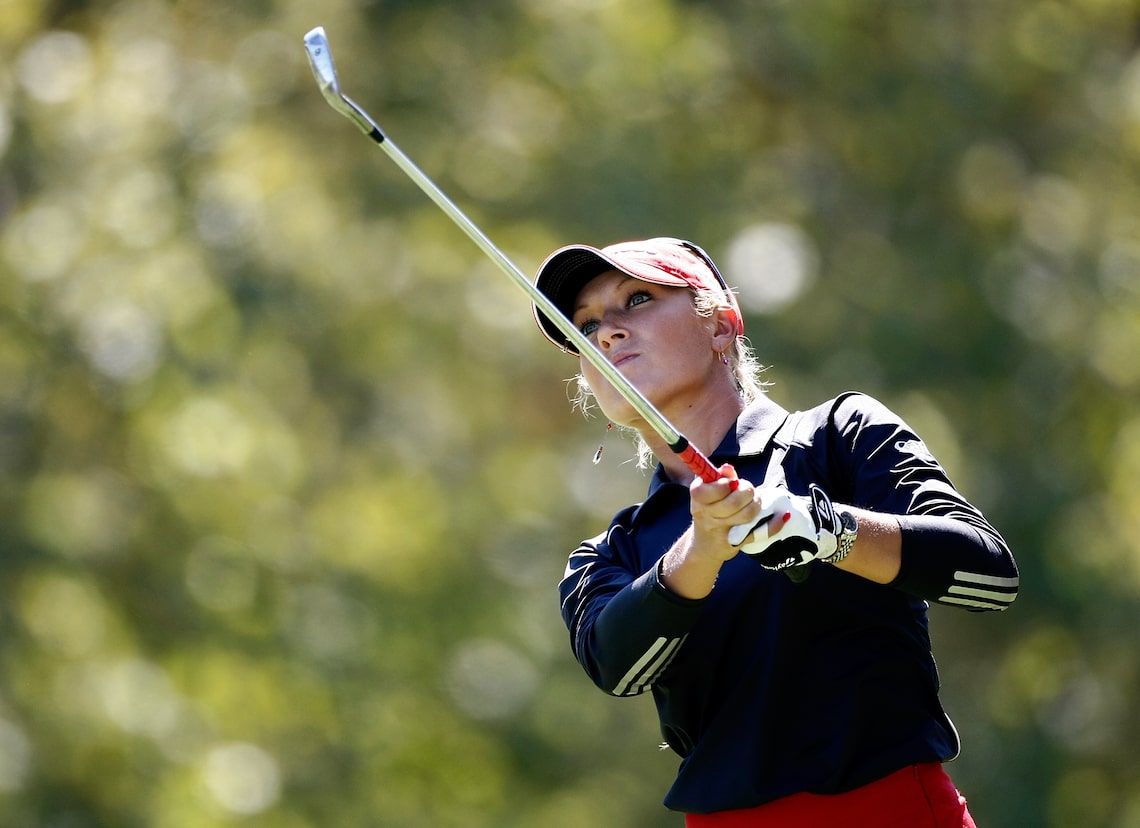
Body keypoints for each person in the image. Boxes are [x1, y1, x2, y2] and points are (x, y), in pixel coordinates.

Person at [530, 237, 1019, 827]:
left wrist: (826, 529)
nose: (607, 332)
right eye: (585, 327)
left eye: (636, 299)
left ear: (721, 324)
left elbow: (989, 576)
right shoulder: (615, 553)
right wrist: (702, 549)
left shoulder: (840, 437)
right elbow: (619, 666)